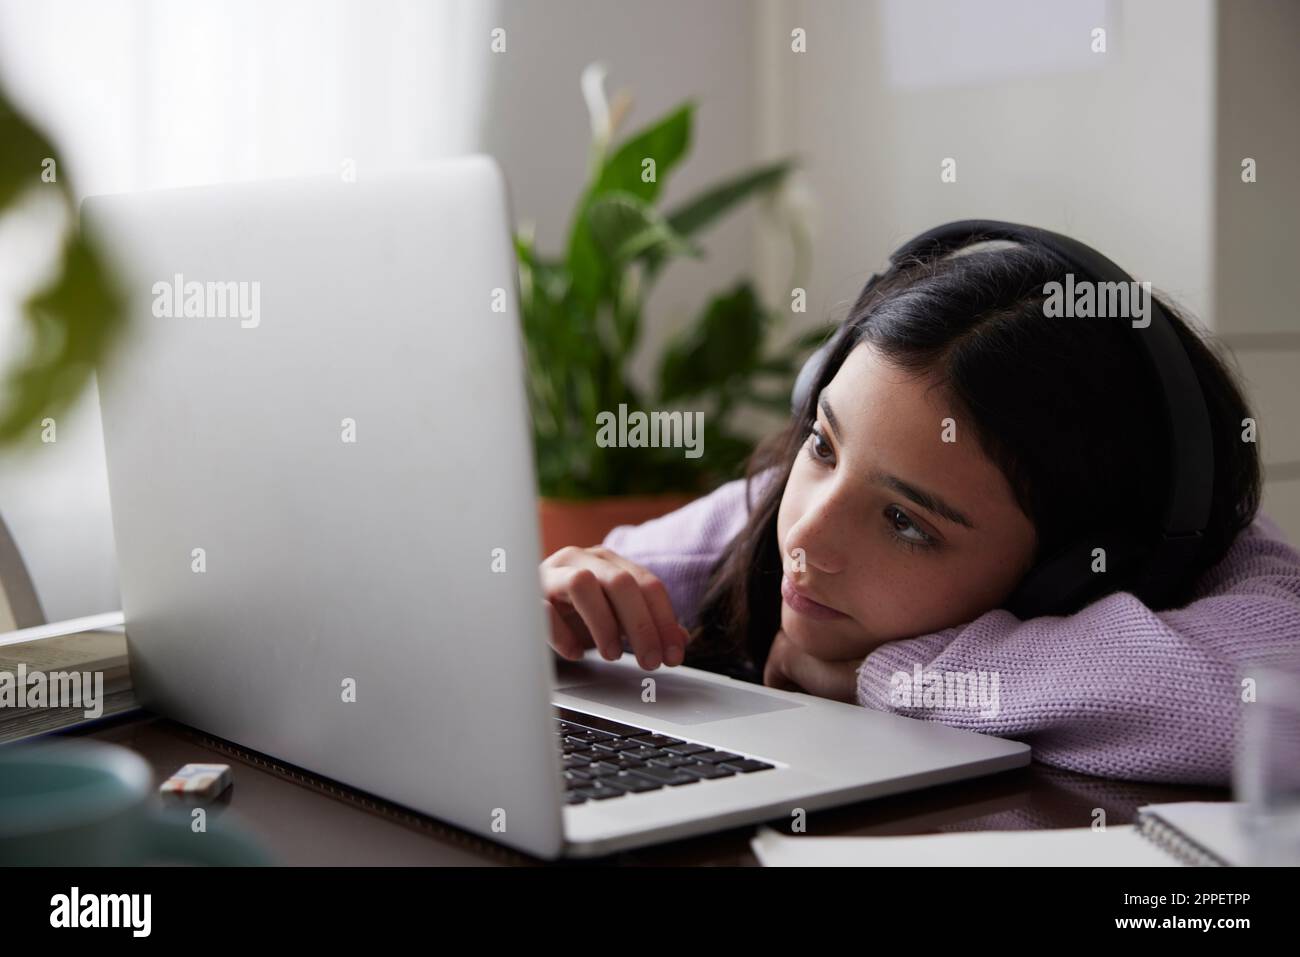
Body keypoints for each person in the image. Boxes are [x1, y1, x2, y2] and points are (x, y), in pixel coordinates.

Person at [539, 234, 1300, 786]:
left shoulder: (1201, 554)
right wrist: (568, 598)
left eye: (906, 521)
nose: (805, 535)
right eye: (824, 444)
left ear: (1069, 577)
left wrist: (894, 677)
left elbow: (1262, 700)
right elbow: (618, 574)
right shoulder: (782, 500)